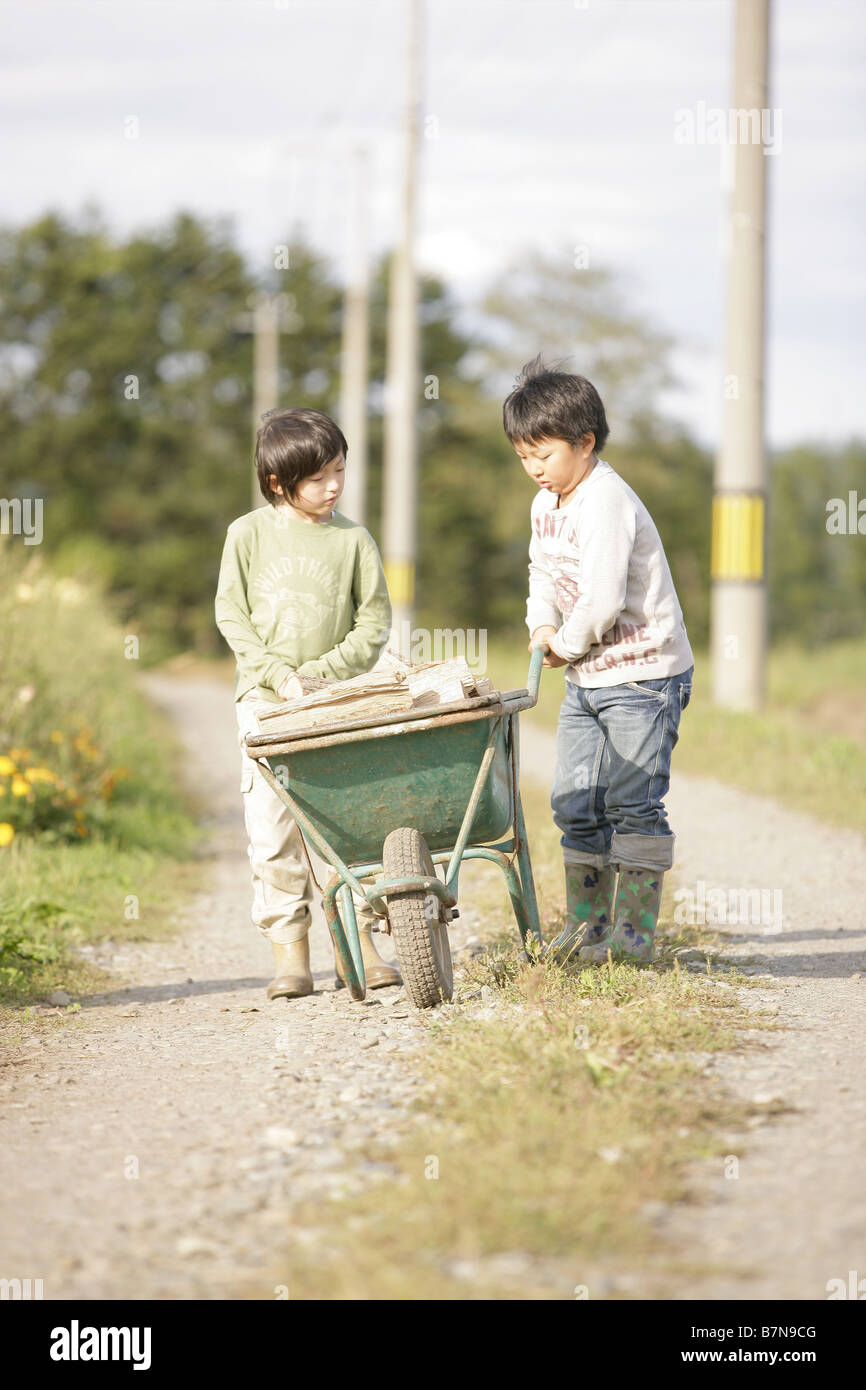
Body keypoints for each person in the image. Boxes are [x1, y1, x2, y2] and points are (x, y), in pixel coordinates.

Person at [503, 357, 695, 965]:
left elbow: (604, 597)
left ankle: (634, 937)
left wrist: (566, 641)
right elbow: (542, 571)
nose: (533, 468)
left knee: (632, 801)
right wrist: (541, 622)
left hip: (642, 674)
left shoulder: (605, 499)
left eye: (544, 454)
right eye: (523, 455)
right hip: (589, 678)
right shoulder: (547, 502)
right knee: (574, 802)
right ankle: (589, 928)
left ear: (585, 443)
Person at [214, 406, 401, 1000]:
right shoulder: (246, 534)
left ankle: (359, 949)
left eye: (340, 471)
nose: (335, 486)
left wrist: (320, 674)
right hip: (265, 705)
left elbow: (373, 622)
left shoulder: (353, 539)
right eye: (319, 478)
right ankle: (290, 958)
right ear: (278, 483)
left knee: (344, 827)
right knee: (273, 833)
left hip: (336, 699)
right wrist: (275, 675)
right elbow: (231, 615)